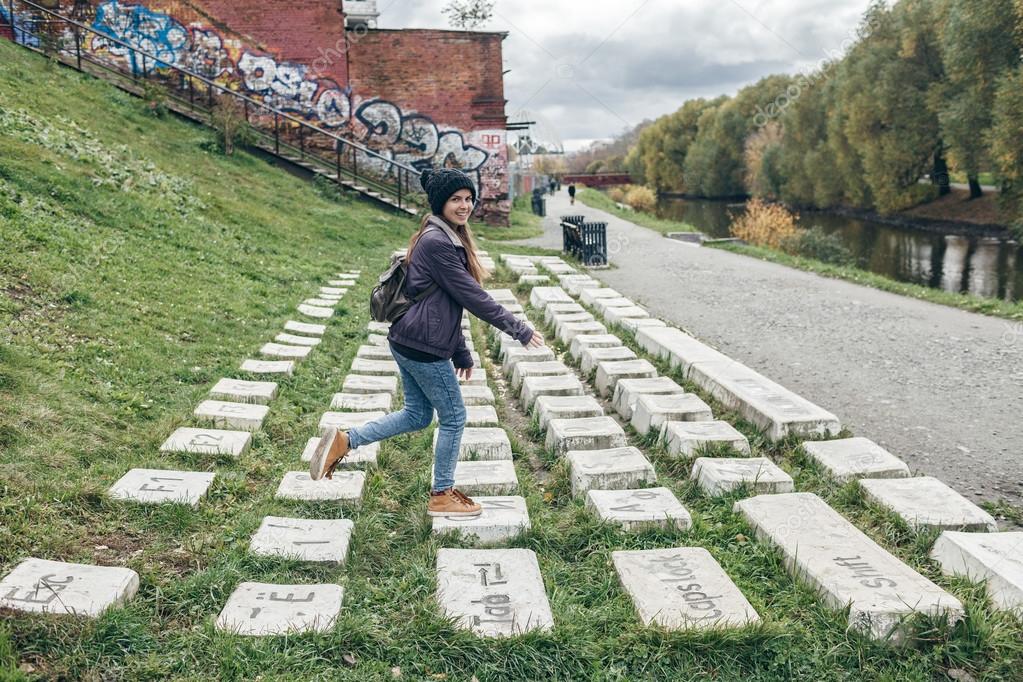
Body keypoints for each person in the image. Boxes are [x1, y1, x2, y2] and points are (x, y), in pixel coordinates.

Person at [309, 168, 544, 517]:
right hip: (422, 345)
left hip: (410, 338)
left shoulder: (444, 236)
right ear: (441, 203)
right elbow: (471, 295)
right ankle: (441, 494)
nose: (464, 206)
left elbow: (446, 302)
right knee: (453, 417)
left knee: (418, 415)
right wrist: (519, 329)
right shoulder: (438, 242)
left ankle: (345, 441)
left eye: (468, 199)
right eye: (455, 200)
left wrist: (462, 351)